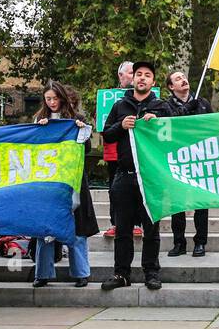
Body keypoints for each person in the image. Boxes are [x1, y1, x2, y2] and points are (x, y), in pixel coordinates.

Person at [99, 60, 170, 291]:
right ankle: (121, 274)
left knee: (151, 229)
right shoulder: (120, 105)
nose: (141, 78)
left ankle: (151, 273)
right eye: (138, 74)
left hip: (151, 177)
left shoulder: (161, 107)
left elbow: (174, 137)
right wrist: (121, 125)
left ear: (153, 81)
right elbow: (107, 136)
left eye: (147, 75)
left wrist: (158, 125)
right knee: (123, 230)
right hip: (124, 176)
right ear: (133, 79)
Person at [30, 82, 97, 288]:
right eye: (48, 99)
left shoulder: (77, 119)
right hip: (48, 182)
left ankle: (81, 273)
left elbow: (86, 149)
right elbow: (32, 150)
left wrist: (81, 132)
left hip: (73, 180)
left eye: (54, 98)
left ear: (62, 97)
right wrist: (37, 130)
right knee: (45, 229)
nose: (51, 103)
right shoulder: (39, 120)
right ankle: (42, 273)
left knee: (77, 229)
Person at [164, 70, 212, 258]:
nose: (183, 80)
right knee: (178, 204)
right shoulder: (166, 106)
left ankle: (200, 242)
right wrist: (187, 108)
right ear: (171, 87)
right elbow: (168, 125)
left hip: (201, 159)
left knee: (201, 203)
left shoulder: (203, 103)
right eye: (177, 79)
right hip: (177, 159)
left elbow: (213, 126)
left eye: (183, 77)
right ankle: (179, 242)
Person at [102, 60, 137, 238]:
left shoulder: (146, 98)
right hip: (113, 151)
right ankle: (115, 223)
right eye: (131, 73)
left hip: (135, 151)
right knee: (114, 189)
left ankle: (137, 223)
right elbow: (104, 126)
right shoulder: (108, 98)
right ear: (120, 76)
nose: (134, 76)